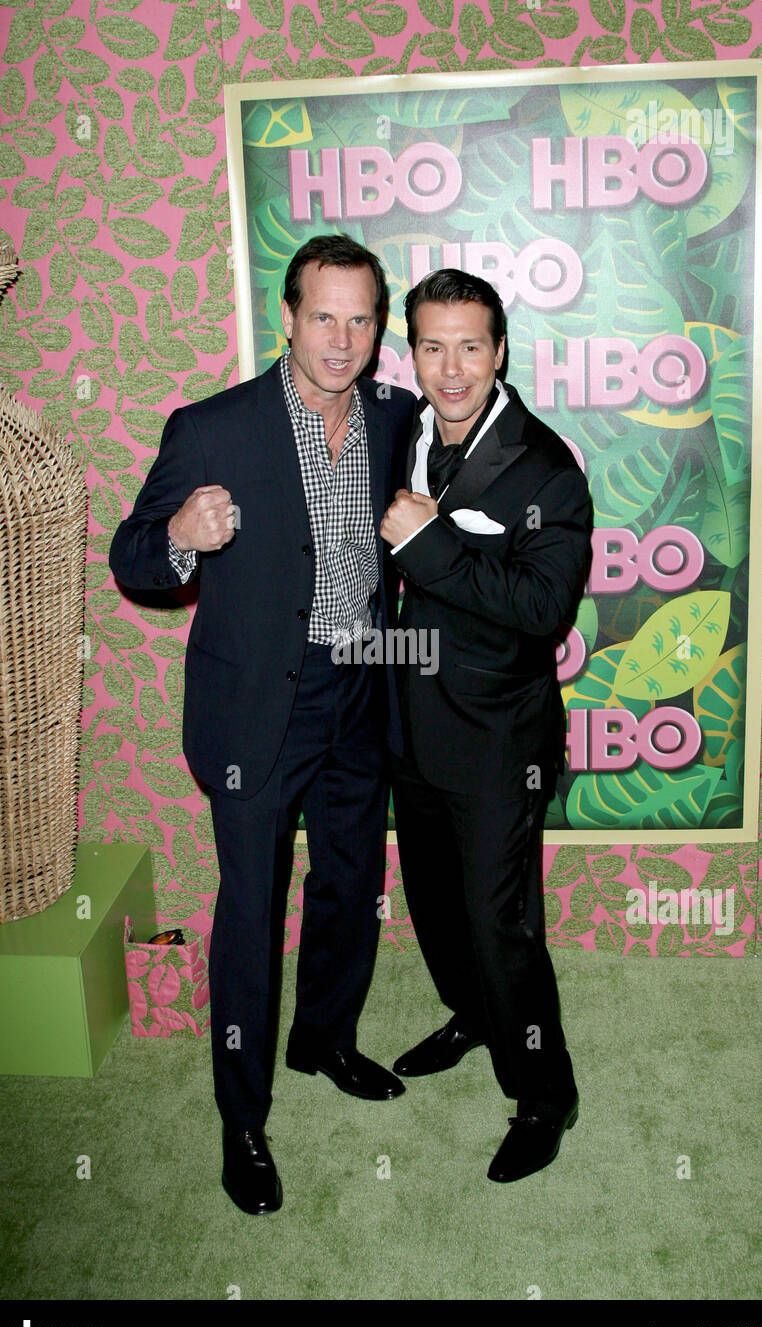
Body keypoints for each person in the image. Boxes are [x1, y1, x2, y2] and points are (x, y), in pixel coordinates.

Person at [110, 235, 417, 1215]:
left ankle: (321, 1037)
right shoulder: (211, 429)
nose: (341, 338)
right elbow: (128, 556)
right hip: (257, 709)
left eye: (361, 318)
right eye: (322, 316)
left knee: (349, 881)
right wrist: (177, 541)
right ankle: (242, 1119)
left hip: (360, 684)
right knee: (250, 911)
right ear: (286, 317)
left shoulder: (391, 414)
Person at [380, 268, 592, 1183]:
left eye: (471, 345)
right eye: (433, 345)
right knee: (433, 908)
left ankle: (545, 1093)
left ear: (500, 351)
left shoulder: (544, 464)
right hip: (410, 730)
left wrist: (430, 544)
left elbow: (544, 608)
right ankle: (472, 1015)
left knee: (499, 923)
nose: (452, 367)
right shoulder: (402, 435)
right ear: (413, 351)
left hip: (501, 745)